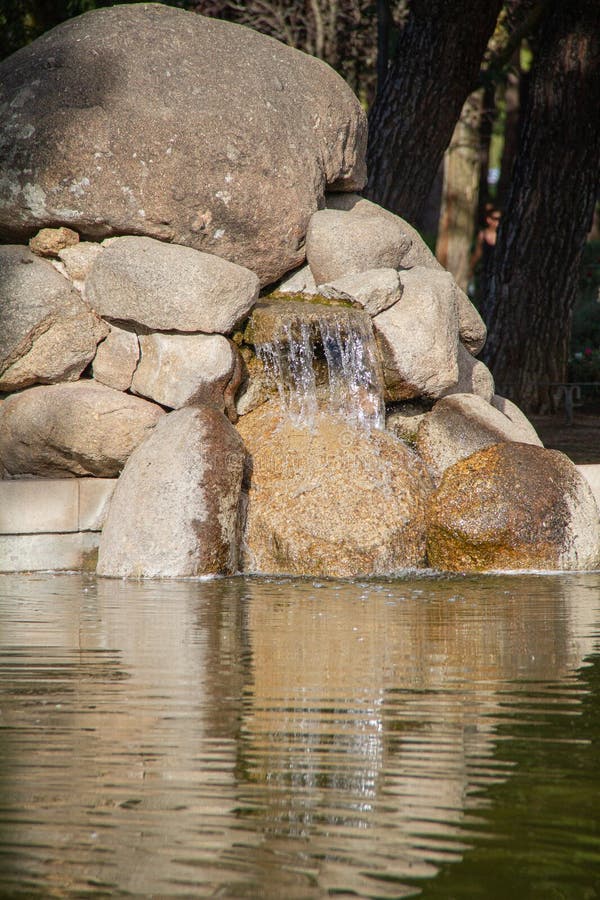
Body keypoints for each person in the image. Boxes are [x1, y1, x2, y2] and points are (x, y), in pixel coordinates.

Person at [469, 204, 501, 309]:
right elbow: (478, 253)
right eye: (495, 218)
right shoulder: (483, 235)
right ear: (488, 220)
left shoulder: (503, 236)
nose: (498, 222)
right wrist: (471, 269)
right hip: (485, 271)